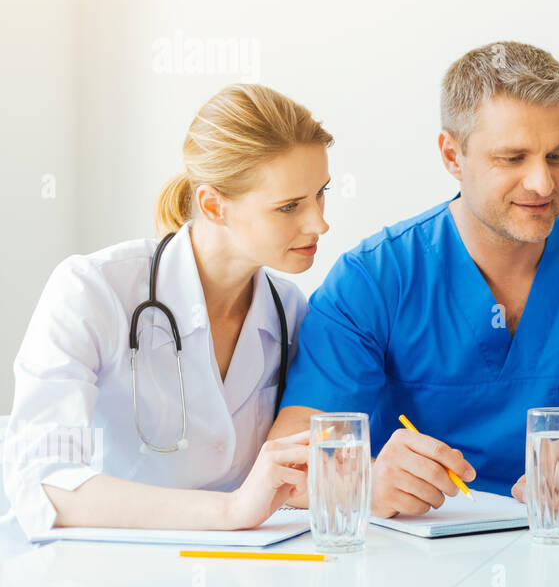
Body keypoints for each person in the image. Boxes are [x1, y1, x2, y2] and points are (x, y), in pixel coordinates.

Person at [269, 42, 559, 517]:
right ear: (452, 155)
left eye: (558, 155)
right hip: (406, 565)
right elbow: (288, 467)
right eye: (513, 158)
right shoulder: (371, 281)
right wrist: (364, 482)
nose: (542, 183)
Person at [2, 84, 333, 538]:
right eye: (290, 206)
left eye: (321, 195)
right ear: (213, 205)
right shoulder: (93, 290)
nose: (319, 223)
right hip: (94, 573)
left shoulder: (287, 310)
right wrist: (229, 511)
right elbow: (45, 480)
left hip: (233, 572)